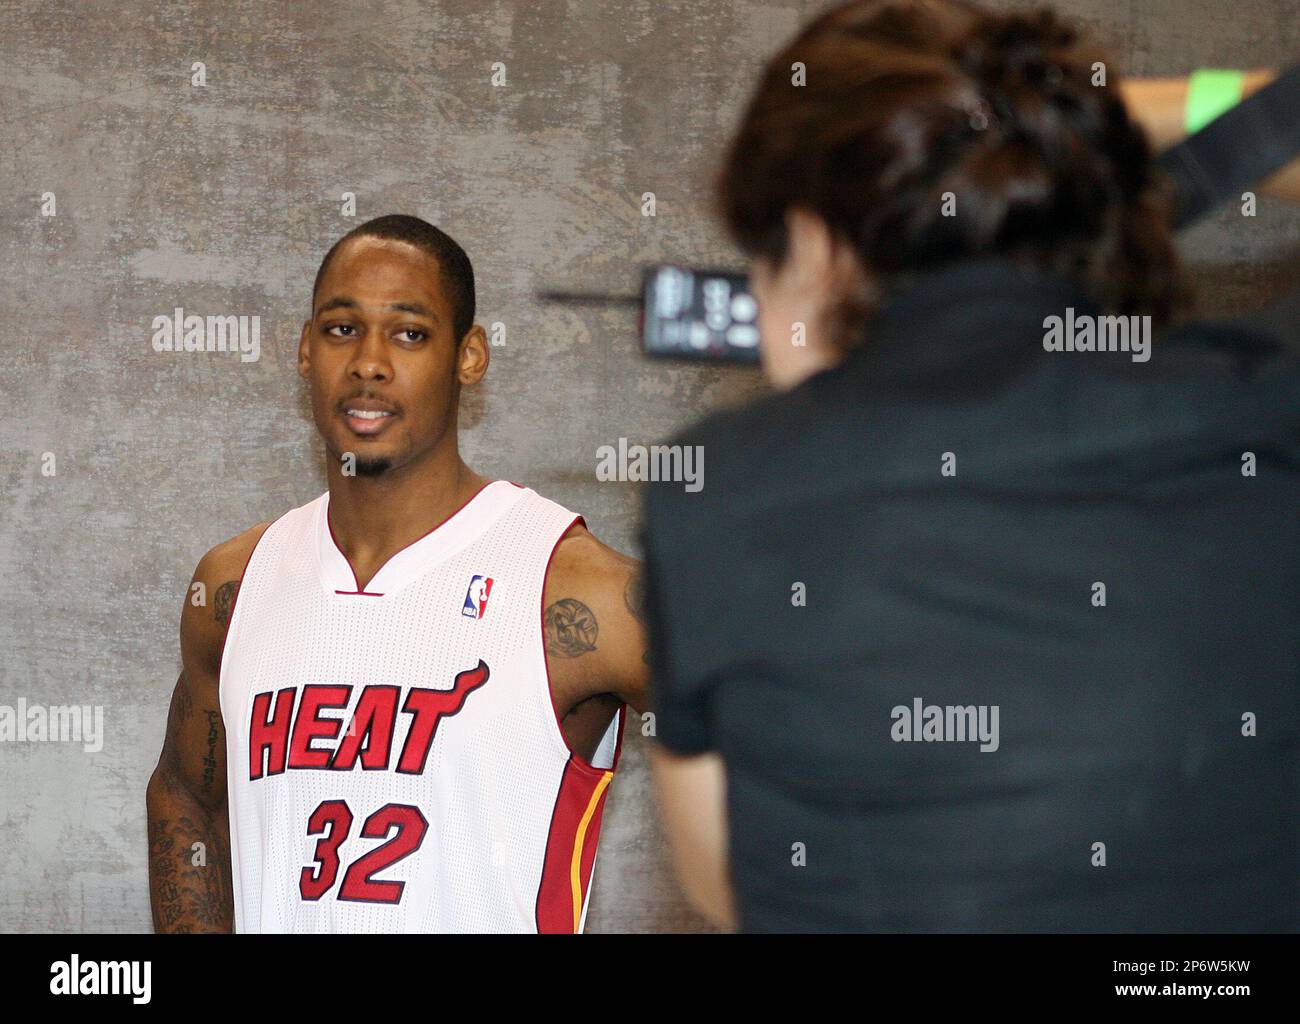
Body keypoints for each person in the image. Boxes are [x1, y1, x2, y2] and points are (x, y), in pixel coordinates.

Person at [643, 0, 1300, 932]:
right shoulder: (1264, 403)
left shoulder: (715, 491)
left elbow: (735, 890)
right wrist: (1112, 123)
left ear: (818, 245)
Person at [146, 215, 650, 933]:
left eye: (409, 333)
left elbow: (803, 739)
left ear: (469, 356)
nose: (369, 363)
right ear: (303, 350)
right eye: (341, 329)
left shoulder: (569, 584)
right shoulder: (234, 586)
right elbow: (183, 790)